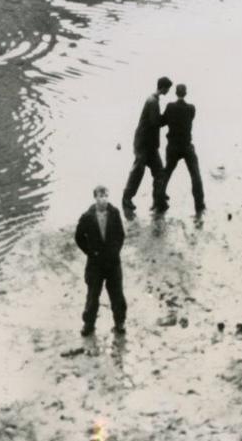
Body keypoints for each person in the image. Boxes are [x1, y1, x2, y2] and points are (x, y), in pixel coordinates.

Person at [75, 185, 127, 336]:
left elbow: (120, 235)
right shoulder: (87, 217)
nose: (103, 199)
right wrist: (90, 252)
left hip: (113, 263)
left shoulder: (115, 213)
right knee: (92, 295)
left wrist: (115, 251)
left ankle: (120, 322)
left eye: (106, 196)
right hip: (95, 264)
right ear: (95, 198)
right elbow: (79, 237)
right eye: (100, 196)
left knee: (117, 294)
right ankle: (88, 324)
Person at [122, 76, 171, 217]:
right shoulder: (152, 101)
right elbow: (156, 122)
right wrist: (168, 116)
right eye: (168, 88)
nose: (168, 91)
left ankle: (158, 202)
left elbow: (155, 122)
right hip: (143, 144)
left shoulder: (154, 100)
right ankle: (126, 198)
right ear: (163, 87)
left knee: (159, 172)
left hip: (150, 144)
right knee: (138, 171)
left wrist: (166, 116)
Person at [160, 83, 205, 216]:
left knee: (166, 172)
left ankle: (159, 201)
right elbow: (190, 119)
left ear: (176, 93)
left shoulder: (170, 107)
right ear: (185, 93)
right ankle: (199, 205)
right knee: (195, 174)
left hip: (173, 146)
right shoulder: (191, 108)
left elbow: (162, 122)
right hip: (186, 146)